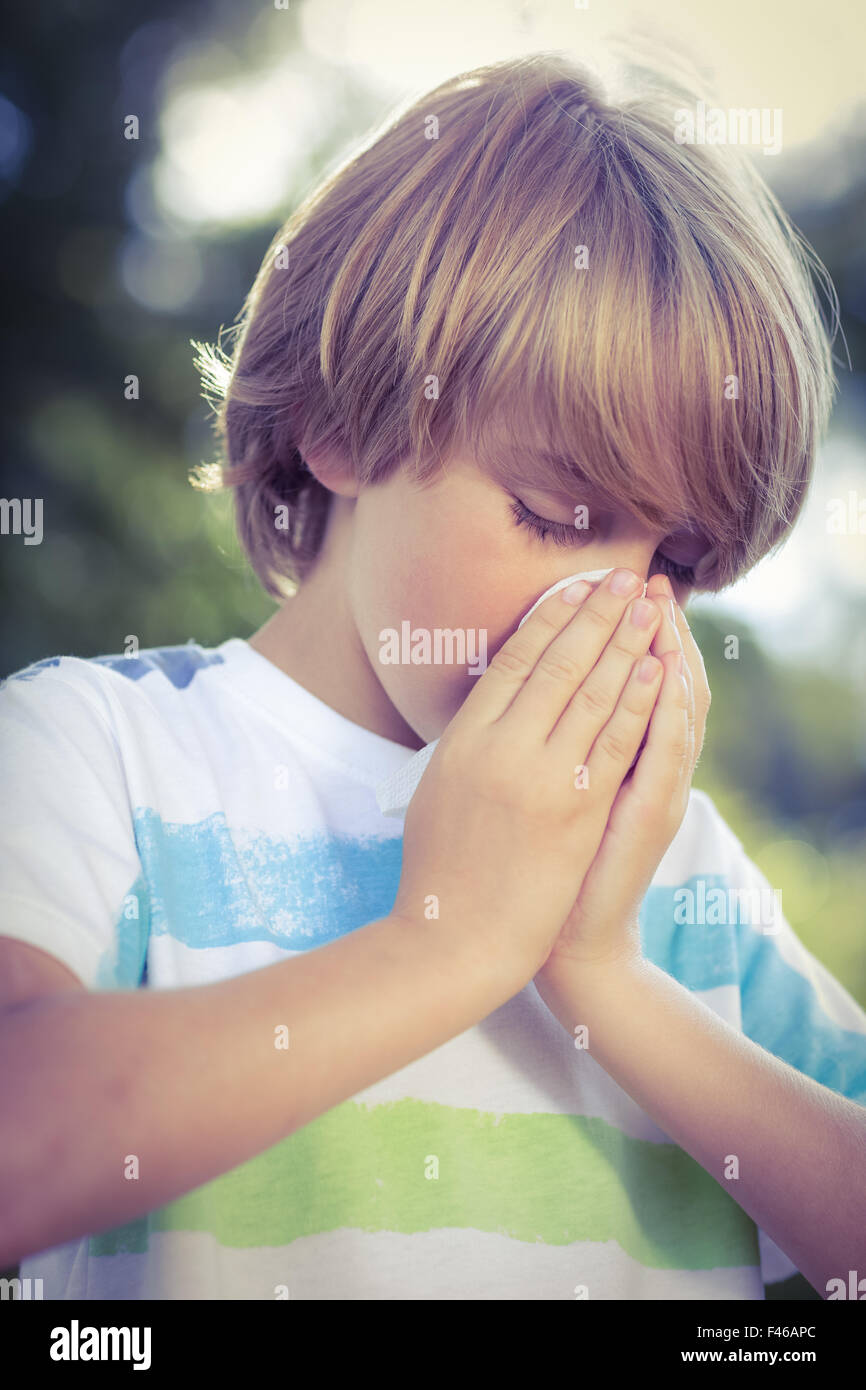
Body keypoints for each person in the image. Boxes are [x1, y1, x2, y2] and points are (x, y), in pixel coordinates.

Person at [1, 48, 864, 1301]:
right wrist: (443, 946)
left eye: (673, 560)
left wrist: (600, 974)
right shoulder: (96, 755)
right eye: (558, 515)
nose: (610, 606)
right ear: (342, 424)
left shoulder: (669, 873)